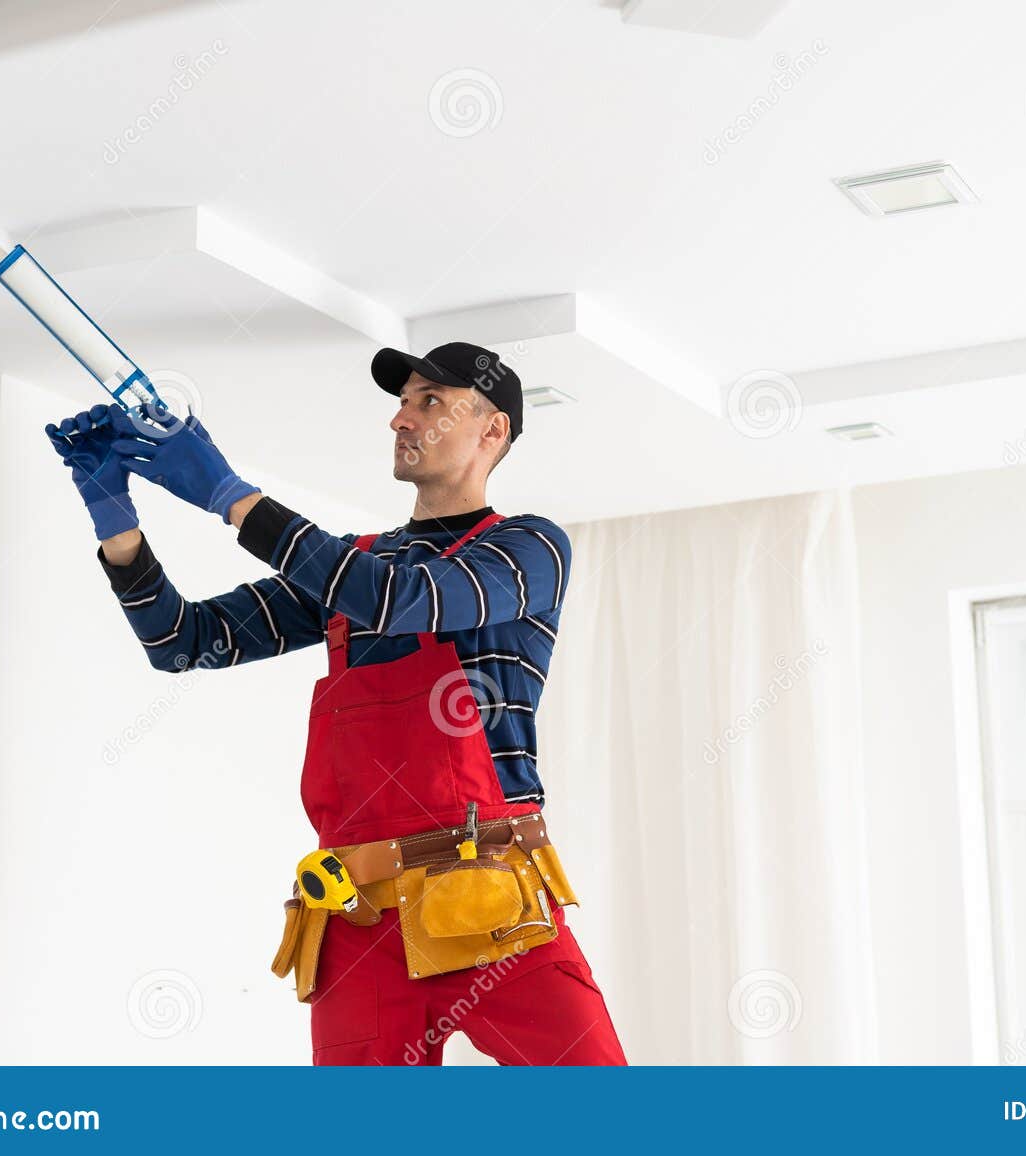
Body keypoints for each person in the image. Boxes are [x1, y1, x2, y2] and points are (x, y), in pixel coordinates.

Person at [44, 342, 627, 1066]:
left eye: (429, 402)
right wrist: (115, 522)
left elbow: (404, 600)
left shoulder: (527, 549)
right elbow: (183, 641)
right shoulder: (355, 561)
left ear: (493, 430)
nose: (400, 419)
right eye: (402, 401)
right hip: (359, 916)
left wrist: (233, 497)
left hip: (492, 900)